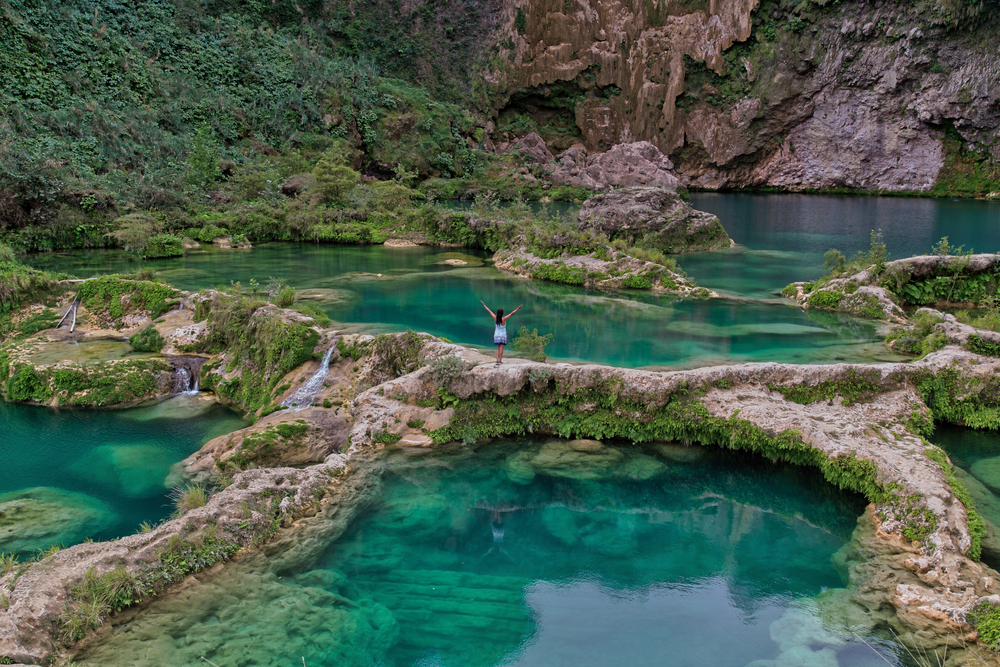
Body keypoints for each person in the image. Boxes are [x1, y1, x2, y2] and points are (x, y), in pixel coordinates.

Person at [480, 300, 522, 365]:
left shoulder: (495, 318)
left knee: (497, 348)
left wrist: (484, 305)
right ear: (502, 313)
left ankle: (496, 360)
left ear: (497, 313)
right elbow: (511, 313)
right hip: (503, 335)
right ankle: (500, 360)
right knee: (501, 348)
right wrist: (518, 308)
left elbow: (489, 311)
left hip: (496, 335)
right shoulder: (504, 319)